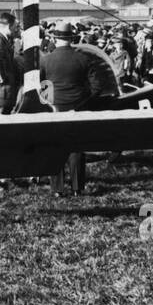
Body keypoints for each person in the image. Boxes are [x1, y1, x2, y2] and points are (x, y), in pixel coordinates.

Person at [39, 21, 104, 188]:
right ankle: (77, 187)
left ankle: (57, 188)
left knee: (56, 145)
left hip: (55, 107)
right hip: (78, 106)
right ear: (72, 38)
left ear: (55, 38)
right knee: (76, 147)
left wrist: (49, 104)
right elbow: (97, 87)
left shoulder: (46, 60)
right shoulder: (84, 58)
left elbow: (43, 86)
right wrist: (84, 102)